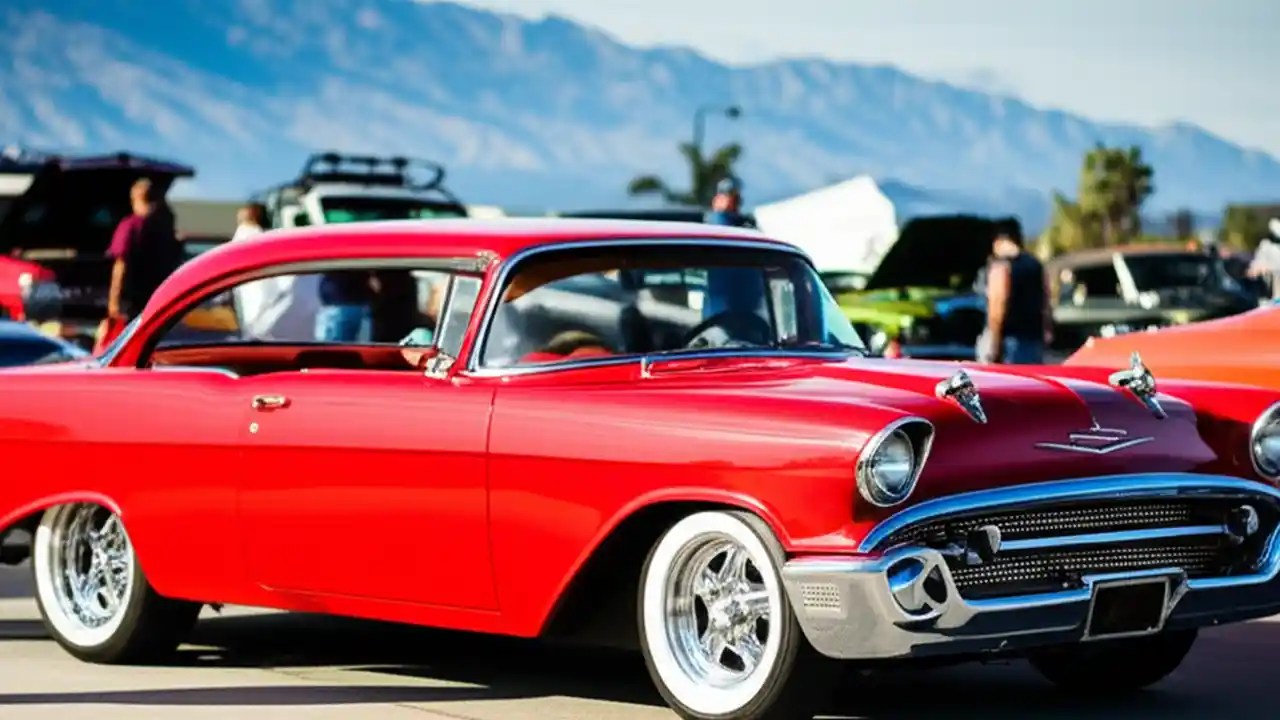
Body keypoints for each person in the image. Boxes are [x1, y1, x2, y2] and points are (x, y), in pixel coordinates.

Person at [105, 178, 184, 324]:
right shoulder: (165, 229)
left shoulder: (130, 226)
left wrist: (114, 303)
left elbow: (121, 265)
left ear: (135, 199)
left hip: (133, 302)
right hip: (160, 299)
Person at [979, 217, 1050, 364]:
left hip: (1009, 342)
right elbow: (1046, 300)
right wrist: (1046, 330)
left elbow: (997, 306)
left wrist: (994, 342)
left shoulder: (1001, 265)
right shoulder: (1035, 264)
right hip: (1033, 340)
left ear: (998, 241)